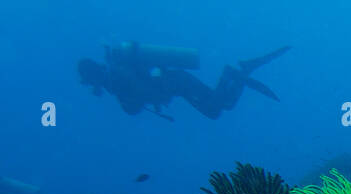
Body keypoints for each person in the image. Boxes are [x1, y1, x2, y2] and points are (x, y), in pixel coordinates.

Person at [77, 42, 289, 120]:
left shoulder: (114, 78)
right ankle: (239, 72)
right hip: (177, 83)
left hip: (178, 83)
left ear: (91, 75)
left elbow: (133, 104)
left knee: (219, 107)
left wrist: (114, 93)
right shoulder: (114, 74)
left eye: (87, 80)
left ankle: (235, 73)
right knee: (217, 109)